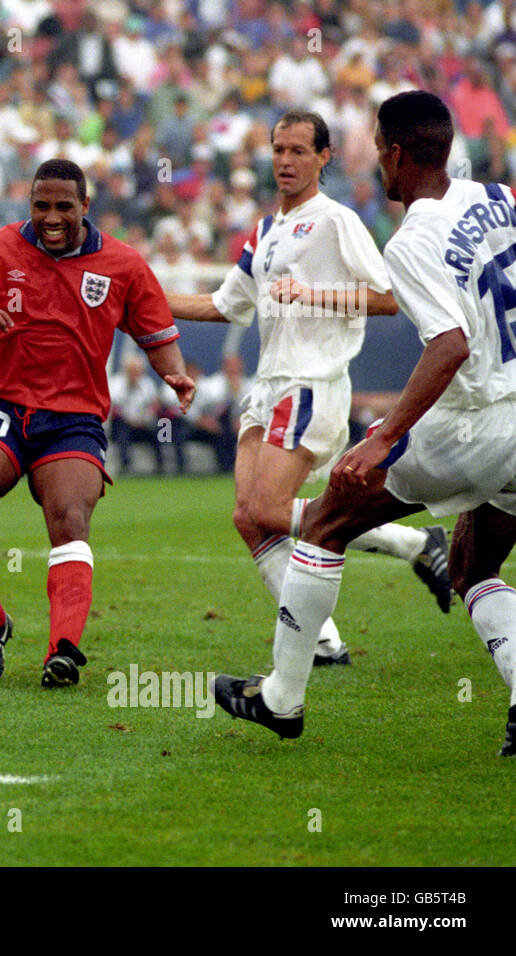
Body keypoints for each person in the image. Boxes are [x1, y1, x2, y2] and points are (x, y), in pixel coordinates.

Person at [214, 91, 516, 754]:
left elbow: (449, 344)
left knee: (326, 521)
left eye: (377, 147)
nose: (376, 159)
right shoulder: (500, 199)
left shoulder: (408, 239)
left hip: (475, 424)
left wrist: (383, 436)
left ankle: (281, 699)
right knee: (473, 565)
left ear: (396, 152)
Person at [164, 110, 452, 670]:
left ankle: (414, 546)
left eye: (299, 150)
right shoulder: (265, 231)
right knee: (249, 518)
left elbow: (389, 296)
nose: (286, 161)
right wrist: (139, 304)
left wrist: (317, 295)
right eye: (278, 150)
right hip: (268, 387)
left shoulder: (334, 220)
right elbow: (225, 306)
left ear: (324, 158)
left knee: (268, 508)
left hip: (312, 382)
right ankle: (325, 640)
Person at [0, 158, 195, 688]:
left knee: (70, 520)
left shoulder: (123, 265)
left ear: (84, 206)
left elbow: (157, 334)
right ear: (29, 204)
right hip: (3, 404)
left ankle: (63, 649)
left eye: (63, 206)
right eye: (41, 205)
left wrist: (177, 378)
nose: (51, 217)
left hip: (74, 417)